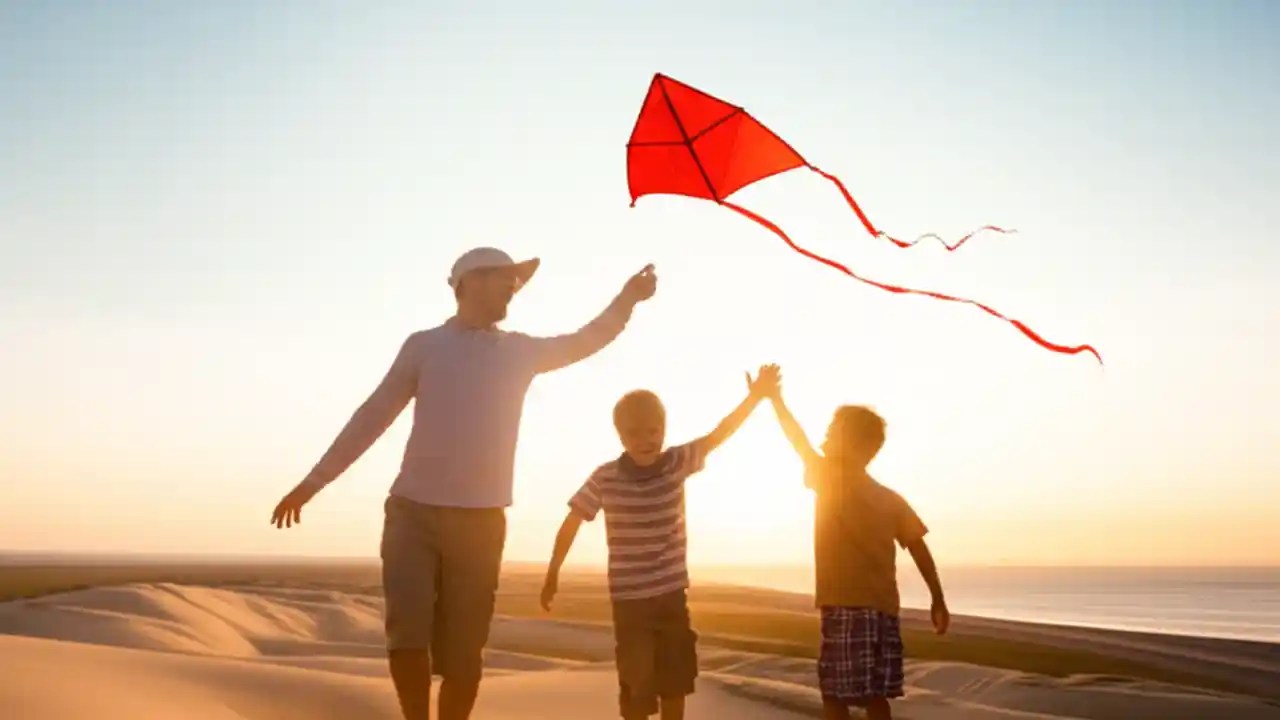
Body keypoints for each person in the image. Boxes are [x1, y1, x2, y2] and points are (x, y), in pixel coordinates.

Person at [269, 247, 658, 720]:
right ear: (470, 281)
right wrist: (313, 482)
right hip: (412, 514)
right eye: (506, 279)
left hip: (481, 522)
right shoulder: (424, 346)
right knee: (407, 636)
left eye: (517, 282)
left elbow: (588, 338)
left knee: (465, 656)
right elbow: (373, 415)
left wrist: (628, 299)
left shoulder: (520, 350)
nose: (514, 288)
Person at [539, 365, 780, 720]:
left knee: (674, 682)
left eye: (654, 431)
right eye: (635, 433)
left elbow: (719, 434)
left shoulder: (677, 462)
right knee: (636, 689)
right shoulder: (606, 476)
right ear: (621, 437)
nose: (646, 440)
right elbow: (572, 520)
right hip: (629, 603)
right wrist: (553, 571)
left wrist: (755, 397)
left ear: (664, 430)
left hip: (670, 597)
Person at [760, 365, 949, 720]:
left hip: (845, 607)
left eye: (832, 433)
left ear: (855, 446)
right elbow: (919, 547)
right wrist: (937, 597)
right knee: (875, 696)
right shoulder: (889, 498)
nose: (823, 440)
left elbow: (795, 437)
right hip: (883, 612)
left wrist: (774, 399)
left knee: (834, 694)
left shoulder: (829, 476)